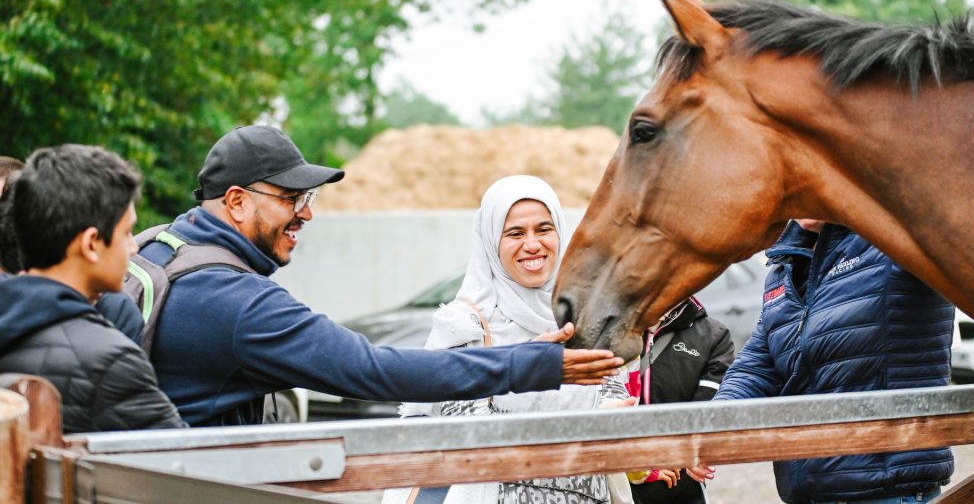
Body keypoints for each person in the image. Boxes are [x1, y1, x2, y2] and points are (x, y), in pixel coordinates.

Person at [140, 125, 623, 426]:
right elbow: (374, 370)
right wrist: (533, 365)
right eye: (291, 198)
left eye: (307, 199)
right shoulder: (232, 301)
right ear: (237, 201)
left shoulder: (159, 249)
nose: (306, 214)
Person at [386, 175, 632, 504]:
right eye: (515, 233)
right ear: (491, 241)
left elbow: (612, 402)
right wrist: (527, 368)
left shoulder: (585, 319)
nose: (532, 245)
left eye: (543, 229)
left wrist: (619, 420)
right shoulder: (464, 327)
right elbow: (459, 434)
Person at [713, 220, 955, 503]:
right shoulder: (784, 267)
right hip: (813, 494)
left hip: (887, 491)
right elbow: (755, 369)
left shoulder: (890, 239)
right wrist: (708, 432)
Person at [0, 145, 186, 432]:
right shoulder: (111, 362)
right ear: (90, 244)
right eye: (126, 233)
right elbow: (179, 455)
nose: (134, 247)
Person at [623, 296, 734, 504]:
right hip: (619, 480)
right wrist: (638, 464)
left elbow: (706, 412)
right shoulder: (617, 328)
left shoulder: (714, 335)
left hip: (679, 483)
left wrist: (693, 452)